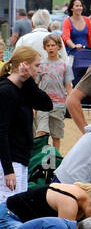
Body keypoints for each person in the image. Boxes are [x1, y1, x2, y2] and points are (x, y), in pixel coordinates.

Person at [0, 46, 53, 204]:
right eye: (36, 65)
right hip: (9, 162)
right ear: (25, 64)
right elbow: (1, 132)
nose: (39, 70)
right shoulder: (6, 91)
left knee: (16, 207)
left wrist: (28, 80)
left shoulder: (23, 88)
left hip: (21, 159)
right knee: (8, 209)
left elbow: (46, 104)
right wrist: (8, 170)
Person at [33, 34, 73, 144]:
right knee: (41, 133)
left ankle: (53, 160)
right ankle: (40, 159)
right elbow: (35, 85)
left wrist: (71, 105)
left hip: (59, 105)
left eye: (53, 45)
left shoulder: (66, 66)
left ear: (58, 46)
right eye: (48, 45)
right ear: (45, 48)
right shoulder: (41, 66)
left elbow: (69, 88)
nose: (50, 47)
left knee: (56, 136)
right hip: (42, 104)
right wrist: (32, 104)